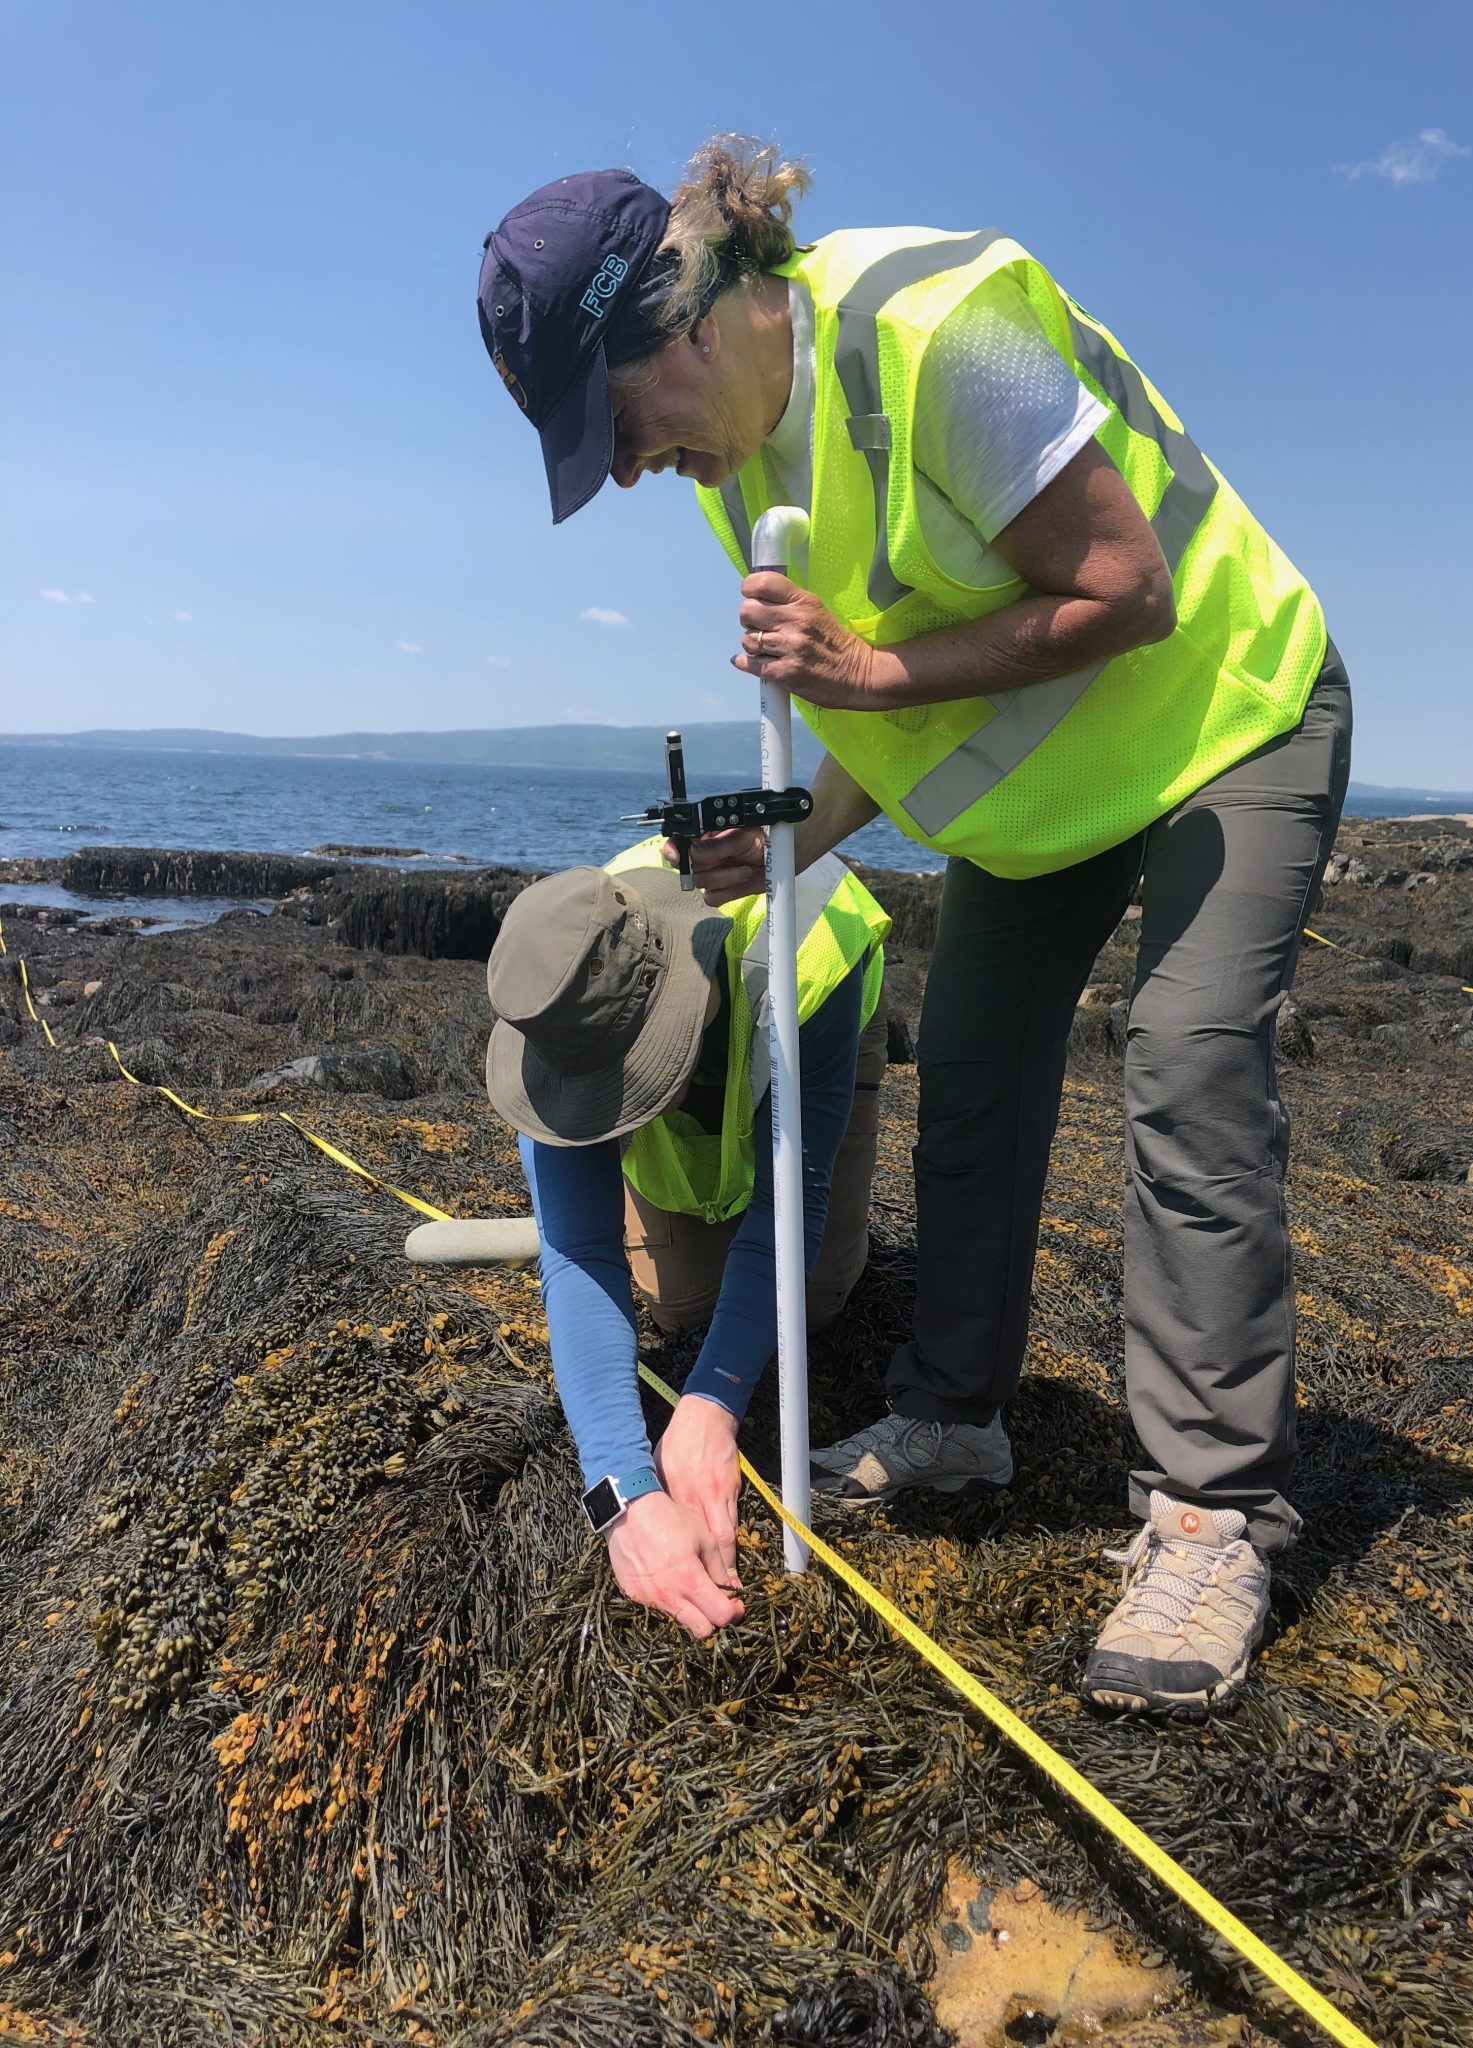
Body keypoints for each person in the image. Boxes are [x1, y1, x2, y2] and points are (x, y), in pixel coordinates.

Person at [475, 139, 1352, 1717]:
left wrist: (870, 677)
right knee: (971, 1063)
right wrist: (799, 825)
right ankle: (953, 1414)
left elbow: (1129, 589)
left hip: (1230, 715)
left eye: (611, 425)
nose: (617, 471)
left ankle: (1214, 1516)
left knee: (1186, 1060)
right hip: (1058, 784)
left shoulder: (939, 332)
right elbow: (873, 704)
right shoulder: (733, 458)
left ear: (676, 315)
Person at [485, 837, 889, 1638]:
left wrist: (713, 1403)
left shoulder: (809, 947)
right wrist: (622, 1494)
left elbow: (790, 1203)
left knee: (813, 1304)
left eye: (634, 1082)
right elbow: (577, 1249)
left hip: (821, 1023)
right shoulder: (556, 1011)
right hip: (684, 1039)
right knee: (680, 1311)